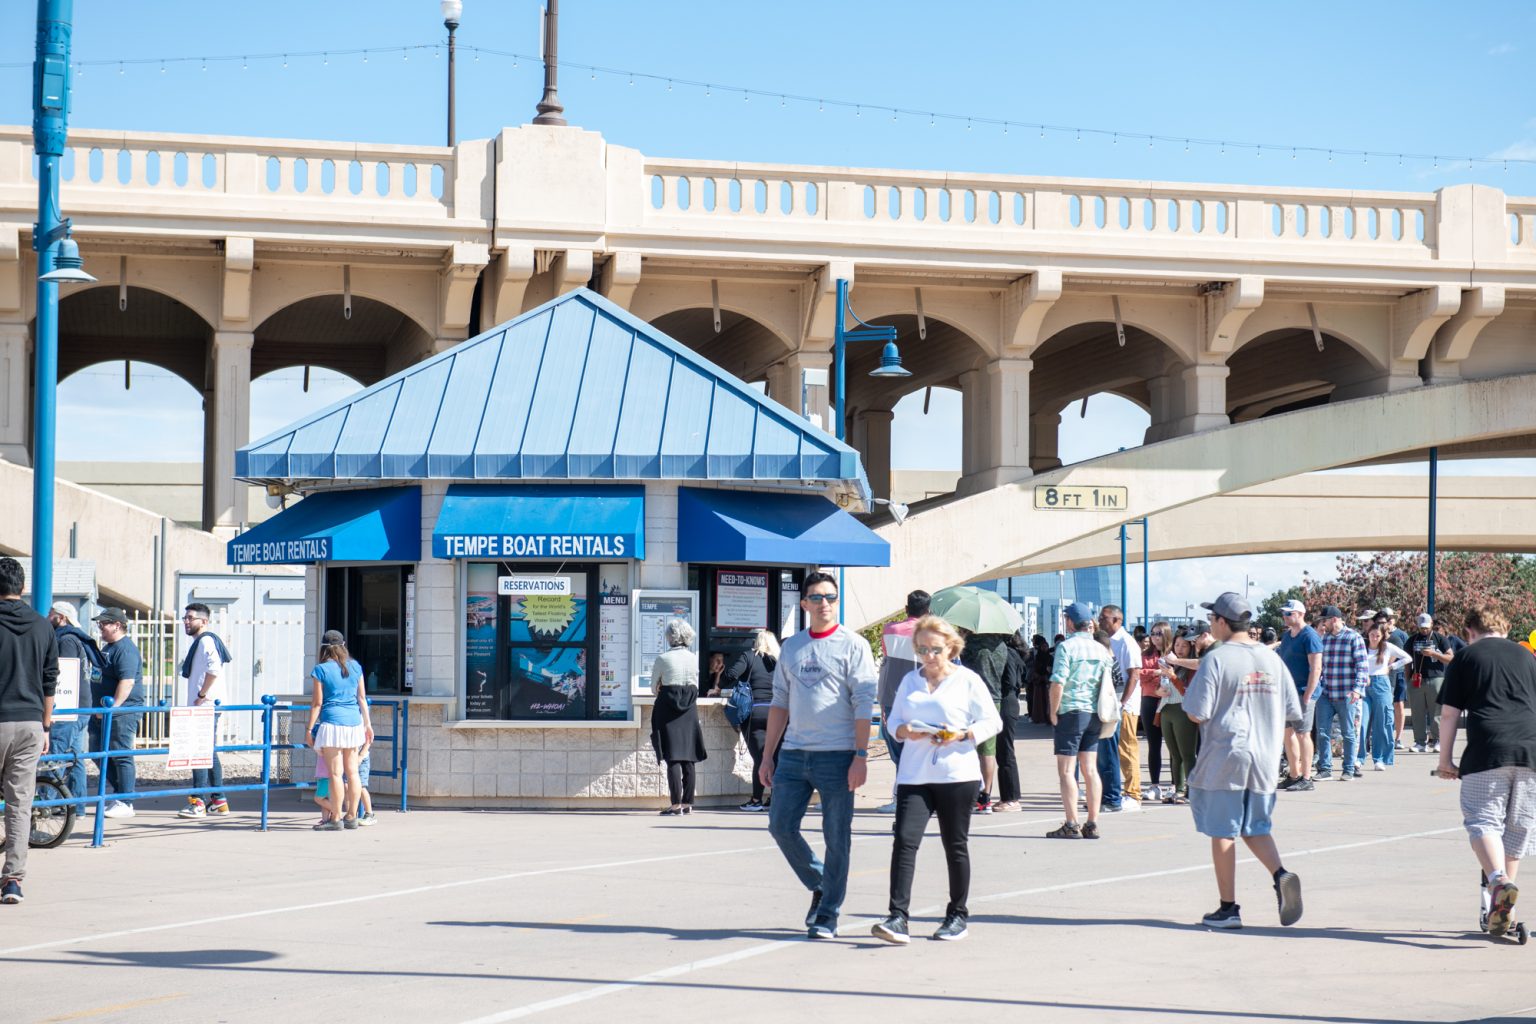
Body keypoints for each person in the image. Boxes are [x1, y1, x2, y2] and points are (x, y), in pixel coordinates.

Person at [872, 615, 1002, 944]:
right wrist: (905, 731)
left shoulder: (967, 680)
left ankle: (957, 915)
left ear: (951, 647)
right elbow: (893, 723)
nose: (929, 657)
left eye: (935, 649)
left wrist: (963, 735)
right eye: (922, 650)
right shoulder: (910, 682)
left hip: (956, 774)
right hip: (915, 775)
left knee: (954, 845)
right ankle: (897, 917)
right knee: (904, 841)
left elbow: (992, 721)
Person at [761, 570, 877, 940]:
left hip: (838, 755)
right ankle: (821, 884)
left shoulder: (853, 645)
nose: (824, 603)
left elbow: (864, 704)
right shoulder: (792, 646)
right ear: (804, 603)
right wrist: (768, 756)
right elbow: (780, 702)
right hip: (794, 754)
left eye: (830, 597)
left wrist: (861, 755)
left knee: (836, 836)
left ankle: (828, 914)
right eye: (816, 597)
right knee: (780, 826)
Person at [1183, 592, 1303, 930]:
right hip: (1265, 756)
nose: (1210, 624)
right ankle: (1281, 874)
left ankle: (1228, 908)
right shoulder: (1271, 658)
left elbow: (1196, 711)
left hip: (1227, 753)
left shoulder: (1217, 659)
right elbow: (1294, 711)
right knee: (1255, 826)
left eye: (1211, 619)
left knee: (1222, 831)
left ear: (1222, 621)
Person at [1436, 604, 1536, 937]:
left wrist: (1445, 761)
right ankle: (1502, 909)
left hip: (1488, 750)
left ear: (1470, 632)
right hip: (1530, 751)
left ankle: (1498, 883)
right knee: (1516, 828)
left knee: (1482, 820)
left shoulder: (1467, 657)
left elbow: (1449, 715)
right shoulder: (1526, 657)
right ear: (1505, 629)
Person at [1, 557, 58, 905]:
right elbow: (50, 678)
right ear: (22, 588)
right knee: (20, 804)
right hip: (30, 723)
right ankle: (13, 880)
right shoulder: (42, 626)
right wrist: (46, 724)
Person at [1046, 602, 1110, 839]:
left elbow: (1058, 681)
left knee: (1066, 771)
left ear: (1070, 622)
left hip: (1072, 712)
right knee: (1090, 769)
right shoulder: (1101, 649)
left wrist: (1053, 712)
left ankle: (1071, 823)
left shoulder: (1066, 647)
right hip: (1095, 713)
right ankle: (1092, 823)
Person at [305, 630, 373, 831]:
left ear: (324, 648)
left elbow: (317, 703)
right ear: (343, 645)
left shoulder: (321, 669)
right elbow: (362, 698)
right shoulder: (355, 667)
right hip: (354, 723)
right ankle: (352, 816)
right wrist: (367, 725)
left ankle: (336, 819)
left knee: (335, 774)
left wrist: (309, 729)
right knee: (352, 773)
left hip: (332, 723)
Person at [176, 603, 231, 818]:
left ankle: (198, 802)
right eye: (185, 618)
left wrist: (201, 695)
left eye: (191, 618)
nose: (186, 622)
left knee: (198, 752)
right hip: (206, 704)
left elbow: (214, 668)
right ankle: (218, 801)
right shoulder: (203, 641)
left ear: (204, 621)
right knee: (207, 751)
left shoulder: (206, 640)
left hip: (205, 705)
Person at [876, 591, 928, 813]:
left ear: (906, 609)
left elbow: (887, 654)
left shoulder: (890, 630)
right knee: (920, 750)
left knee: (898, 752)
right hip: (922, 699)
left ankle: (901, 798)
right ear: (927, 611)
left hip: (892, 697)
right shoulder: (932, 634)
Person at [91, 608, 145, 818]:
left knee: (121, 754)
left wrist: (113, 709)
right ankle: (121, 792)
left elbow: (128, 681)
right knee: (97, 751)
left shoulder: (125, 649)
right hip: (102, 711)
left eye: (104, 623)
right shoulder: (109, 647)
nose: (100, 627)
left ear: (117, 624)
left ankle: (126, 800)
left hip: (122, 712)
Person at [650, 618, 707, 815]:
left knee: (672, 757)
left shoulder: (663, 658)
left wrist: (660, 687)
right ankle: (688, 803)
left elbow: (653, 687)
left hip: (667, 709)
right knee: (688, 758)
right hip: (689, 709)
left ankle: (675, 805)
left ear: (670, 637)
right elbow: (696, 684)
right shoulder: (694, 658)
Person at [47, 601, 100, 807]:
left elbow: (62, 673)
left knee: (57, 755)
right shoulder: (77, 637)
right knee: (75, 757)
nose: (47, 617)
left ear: (61, 618)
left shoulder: (67, 640)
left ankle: (46, 805)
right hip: (81, 704)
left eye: (51, 613)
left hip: (69, 705)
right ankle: (77, 805)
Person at [960, 628, 1010, 814]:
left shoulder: (970, 644)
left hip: (969, 698)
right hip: (994, 699)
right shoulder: (1001, 646)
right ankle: (985, 797)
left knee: (965, 747)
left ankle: (967, 794)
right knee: (988, 751)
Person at [1315, 605, 1367, 781]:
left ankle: (1349, 769)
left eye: (1325, 621)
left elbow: (1362, 666)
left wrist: (1357, 690)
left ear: (1334, 620)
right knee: (1322, 732)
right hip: (1326, 693)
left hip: (1346, 694)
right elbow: (1319, 666)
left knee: (1348, 733)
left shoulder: (1354, 638)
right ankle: (1325, 768)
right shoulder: (1324, 639)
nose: (1323, 624)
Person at [1276, 600, 1322, 792]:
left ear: (1300, 614)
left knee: (1303, 733)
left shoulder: (1310, 636)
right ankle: (1293, 774)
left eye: (1289, 613)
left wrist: (1308, 695)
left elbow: (1316, 668)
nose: (1285, 617)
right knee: (1288, 732)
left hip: (1303, 692)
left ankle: (1306, 776)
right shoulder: (1287, 636)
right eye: (1284, 614)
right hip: (1288, 692)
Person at [1098, 605, 1141, 810]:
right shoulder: (1109, 641)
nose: (1100, 622)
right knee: (1114, 750)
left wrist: (1123, 702)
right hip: (1113, 702)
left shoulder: (1126, 642)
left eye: (1104, 618)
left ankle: (1133, 794)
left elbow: (1134, 674)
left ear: (1117, 620)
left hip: (1126, 704)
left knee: (1126, 749)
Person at [732, 629, 780, 812]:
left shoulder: (749, 656)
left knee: (760, 757)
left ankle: (756, 800)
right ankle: (775, 798)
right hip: (778, 713)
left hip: (755, 712)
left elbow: (732, 673)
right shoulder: (780, 661)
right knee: (775, 757)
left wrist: (716, 686)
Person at [1362, 622, 1411, 771]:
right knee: (1362, 723)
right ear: (1368, 634)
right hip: (1364, 684)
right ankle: (1359, 758)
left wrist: (1391, 667)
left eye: (1377, 635)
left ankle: (1379, 758)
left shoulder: (1387, 647)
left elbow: (1407, 658)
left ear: (1383, 636)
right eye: (1372, 635)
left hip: (1381, 683)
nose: (1374, 638)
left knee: (1381, 723)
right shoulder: (1362, 646)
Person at [1156, 633, 1197, 803]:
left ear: (1191, 648)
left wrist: (1172, 675)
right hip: (1166, 709)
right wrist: (1159, 691)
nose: (1179, 649)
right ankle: (1178, 788)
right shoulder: (1168, 664)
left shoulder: (1191, 667)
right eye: (1177, 645)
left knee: (1187, 753)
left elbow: (1187, 692)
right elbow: (1159, 688)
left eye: (1184, 646)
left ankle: (1192, 790)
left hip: (1183, 711)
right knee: (1174, 754)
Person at [1408, 612, 1454, 753]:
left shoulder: (1440, 638)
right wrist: (1407, 679)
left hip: (1436, 678)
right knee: (1417, 712)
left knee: (1437, 711)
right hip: (1417, 679)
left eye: (1427, 627)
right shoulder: (1412, 640)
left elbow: (1451, 658)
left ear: (1432, 625)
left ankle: (1438, 740)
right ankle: (1420, 742)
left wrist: (1434, 654)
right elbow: (1406, 660)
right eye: (1422, 628)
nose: (1424, 630)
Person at [1140, 632, 1167, 800]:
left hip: (1170, 702)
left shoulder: (1174, 654)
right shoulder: (1145, 655)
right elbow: (1140, 675)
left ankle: (1174, 785)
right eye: (1154, 634)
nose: (1155, 637)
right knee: (1153, 744)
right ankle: (1154, 785)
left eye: (1159, 634)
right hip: (1149, 701)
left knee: (1174, 748)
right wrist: (1157, 672)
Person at [1381, 608, 1410, 750]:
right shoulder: (1377, 634)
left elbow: (1407, 656)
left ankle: (1398, 738)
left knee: (1398, 705)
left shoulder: (1401, 635)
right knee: (1386, 706)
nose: (1389, 619)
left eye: (1391, 617)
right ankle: (1383, 736)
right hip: (1384, 675)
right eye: (1386, 617)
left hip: (1399, 674)